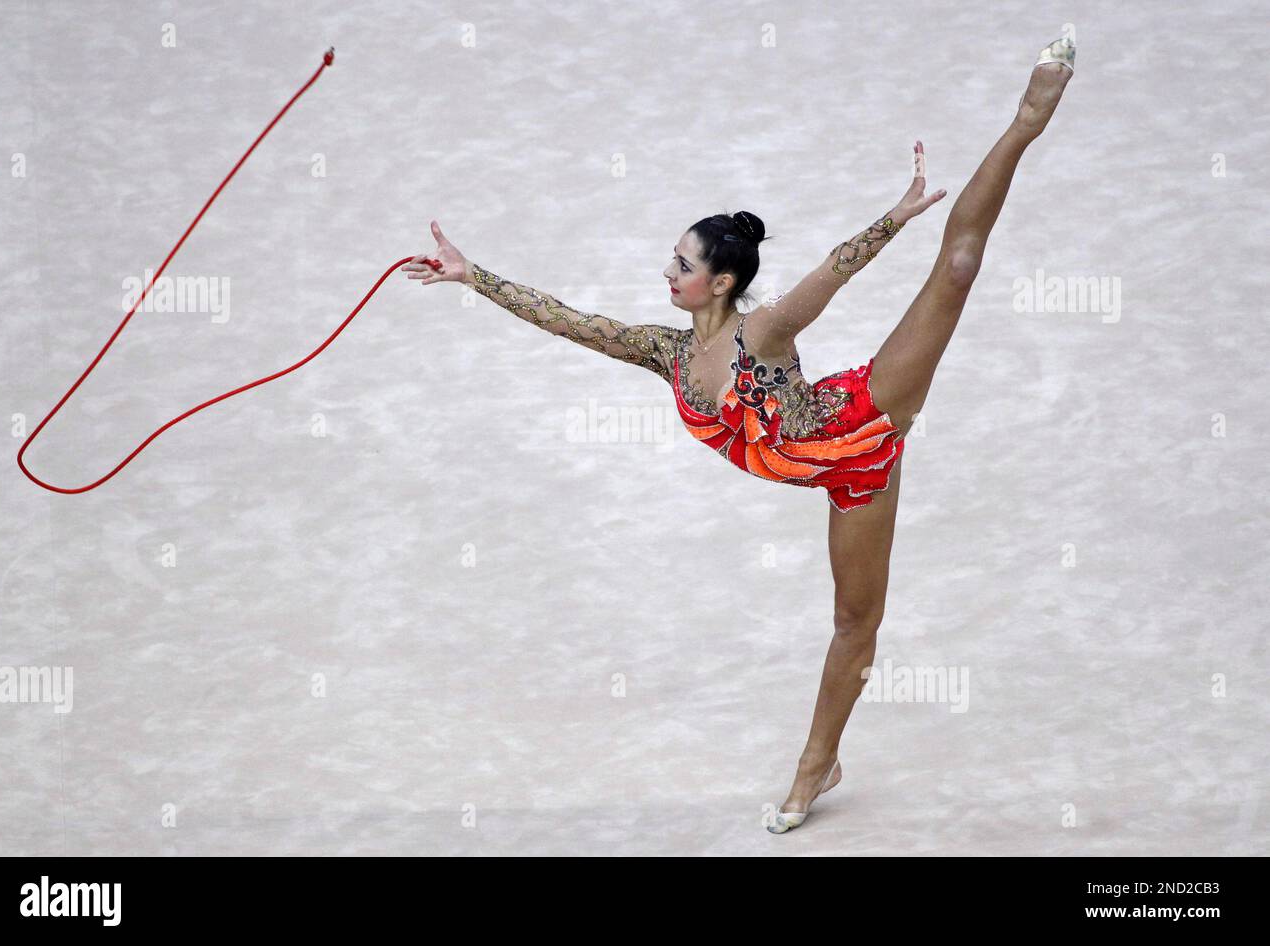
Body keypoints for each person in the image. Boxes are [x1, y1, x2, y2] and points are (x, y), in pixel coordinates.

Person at [401, 34, 1076, 833]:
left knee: (957, 269)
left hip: (862, 422)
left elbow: (836, 266)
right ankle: (826, 762)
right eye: (671, 260)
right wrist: (472, 277)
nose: (667, 273)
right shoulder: (668, 353)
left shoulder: (767, 334)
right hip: (838, 479)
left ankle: (1028, 117)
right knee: (850, 625)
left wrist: (896, 215)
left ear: (721, 283)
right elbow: (574, 324)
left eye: (681, 264)